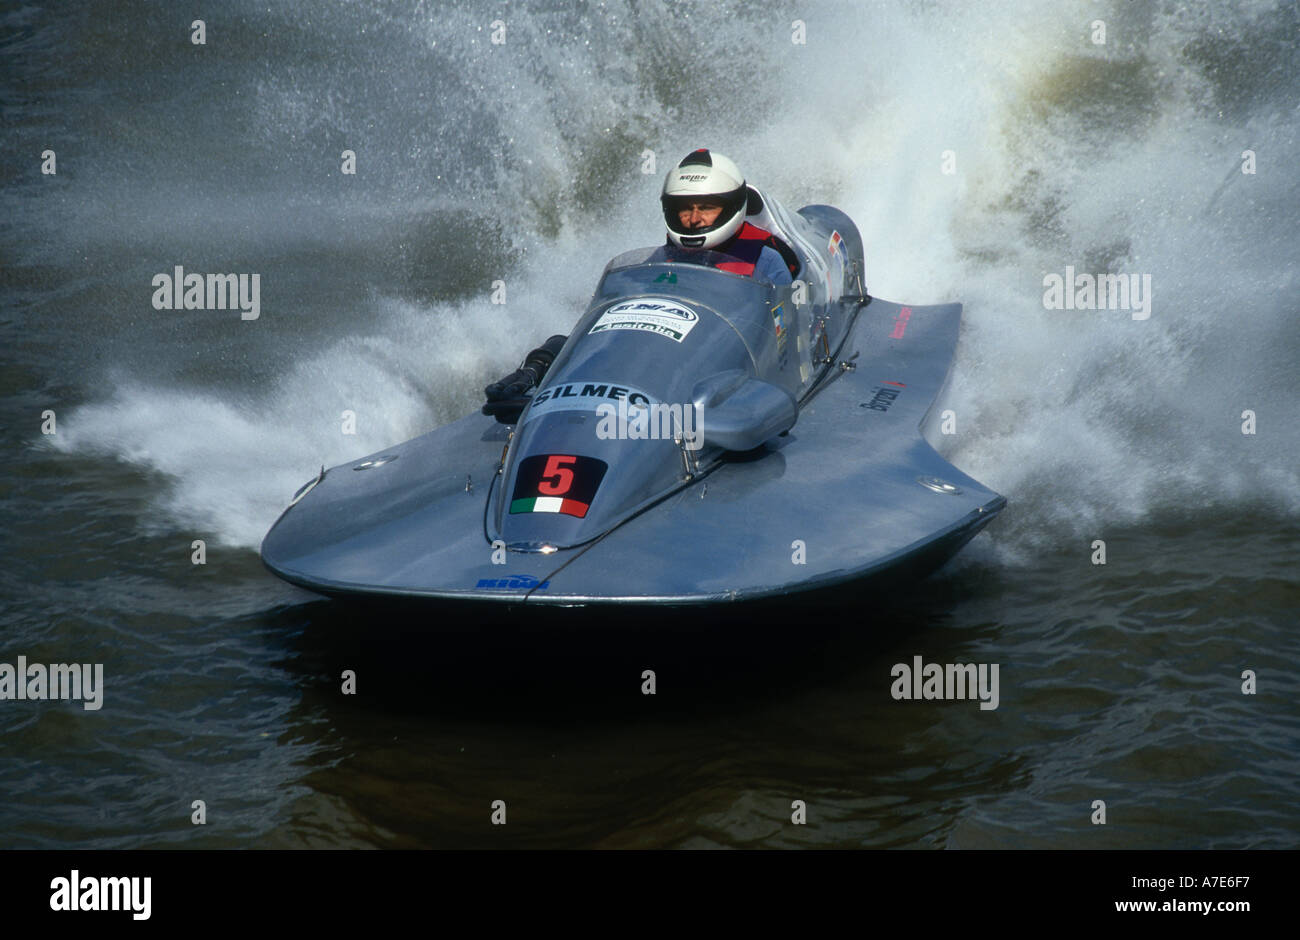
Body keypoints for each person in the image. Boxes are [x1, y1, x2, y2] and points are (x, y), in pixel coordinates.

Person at [483, 148, 794, 421]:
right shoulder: (655, 263)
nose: (694, 219)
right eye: (685, 208)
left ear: (730, 207)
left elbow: (782, 338)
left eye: (706, 208)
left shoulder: (765, 261)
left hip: (722, 370)